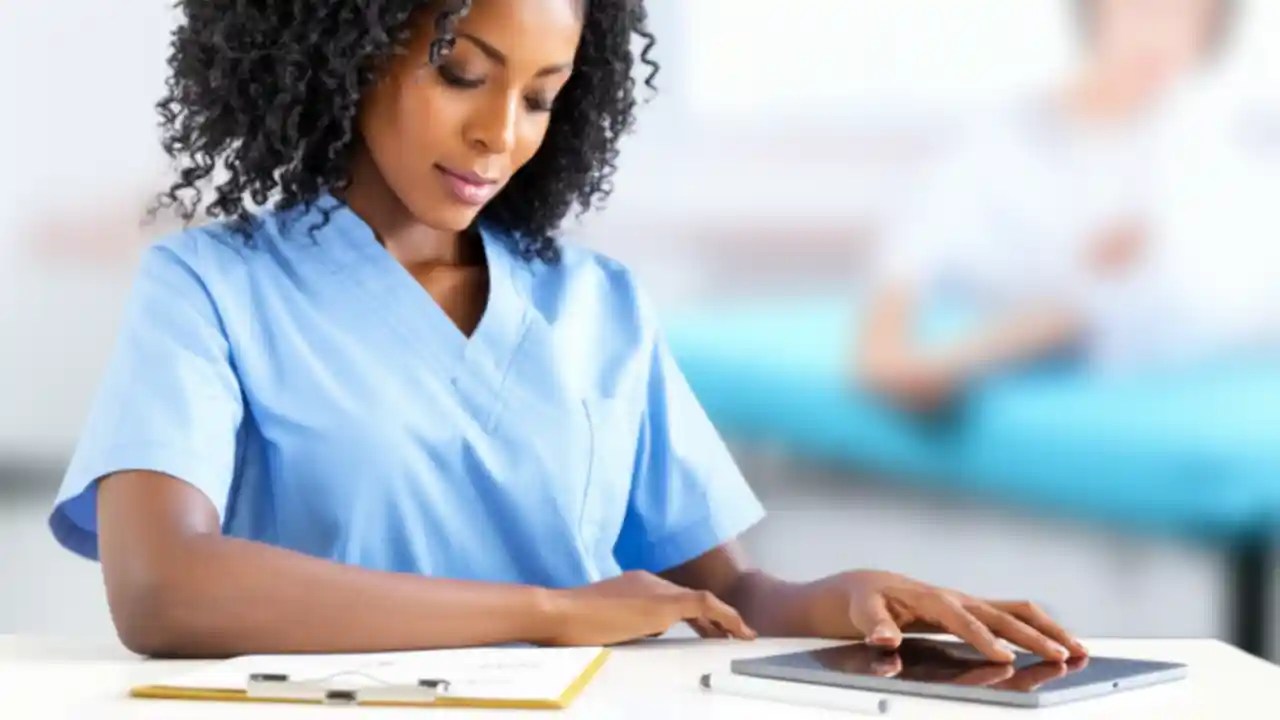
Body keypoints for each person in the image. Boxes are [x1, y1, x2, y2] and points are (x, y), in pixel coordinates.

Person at [49, 0, 1085, 663]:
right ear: (347, 47)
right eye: (463, 73)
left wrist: (838, 596)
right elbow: (160, 590)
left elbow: (721, 595)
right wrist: (545, 609)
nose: (500, 134)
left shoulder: (598, 302)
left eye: (540, 98)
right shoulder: (209, 287)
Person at [854, 0, 1244, 412]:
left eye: (1192, 21)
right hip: (1016, 317)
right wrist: (886, 343)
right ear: (1097, 12)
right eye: (1145, 12)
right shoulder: (1003, 135)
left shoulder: (1196, 148)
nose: (1163, 37)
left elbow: (1158, 298)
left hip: (1119, 337)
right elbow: (913, 247)